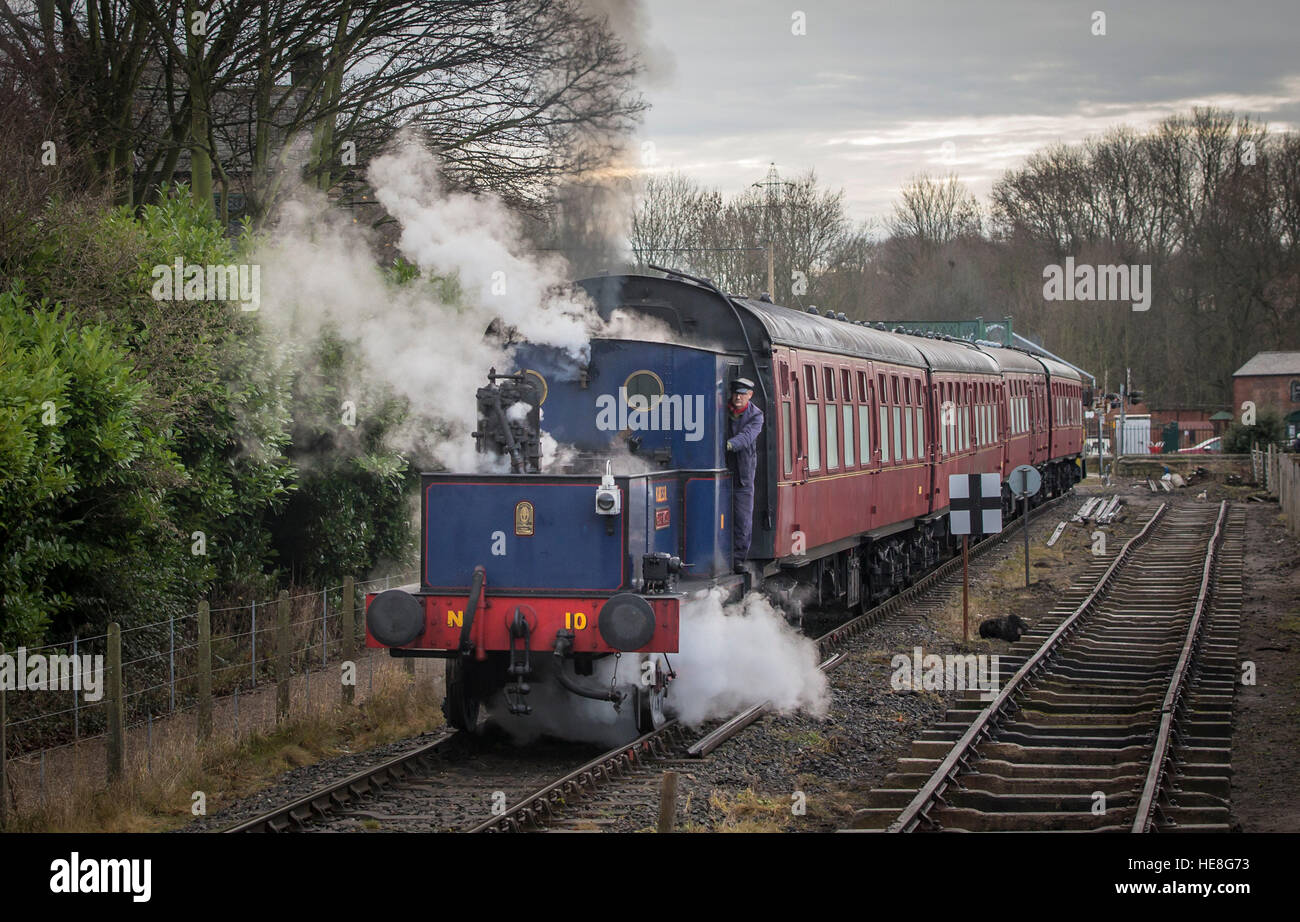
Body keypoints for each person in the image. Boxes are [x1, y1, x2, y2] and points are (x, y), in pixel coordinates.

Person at [725, 377, 764, 571]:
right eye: (736, 393)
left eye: (742, 394)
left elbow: (747, 437)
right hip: (722, 471)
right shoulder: (722, 410)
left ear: (750, 395)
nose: (738, 397)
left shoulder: (756, 416)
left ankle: (738, 558)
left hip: (742, 475)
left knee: (742, 519)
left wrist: (729, 444)